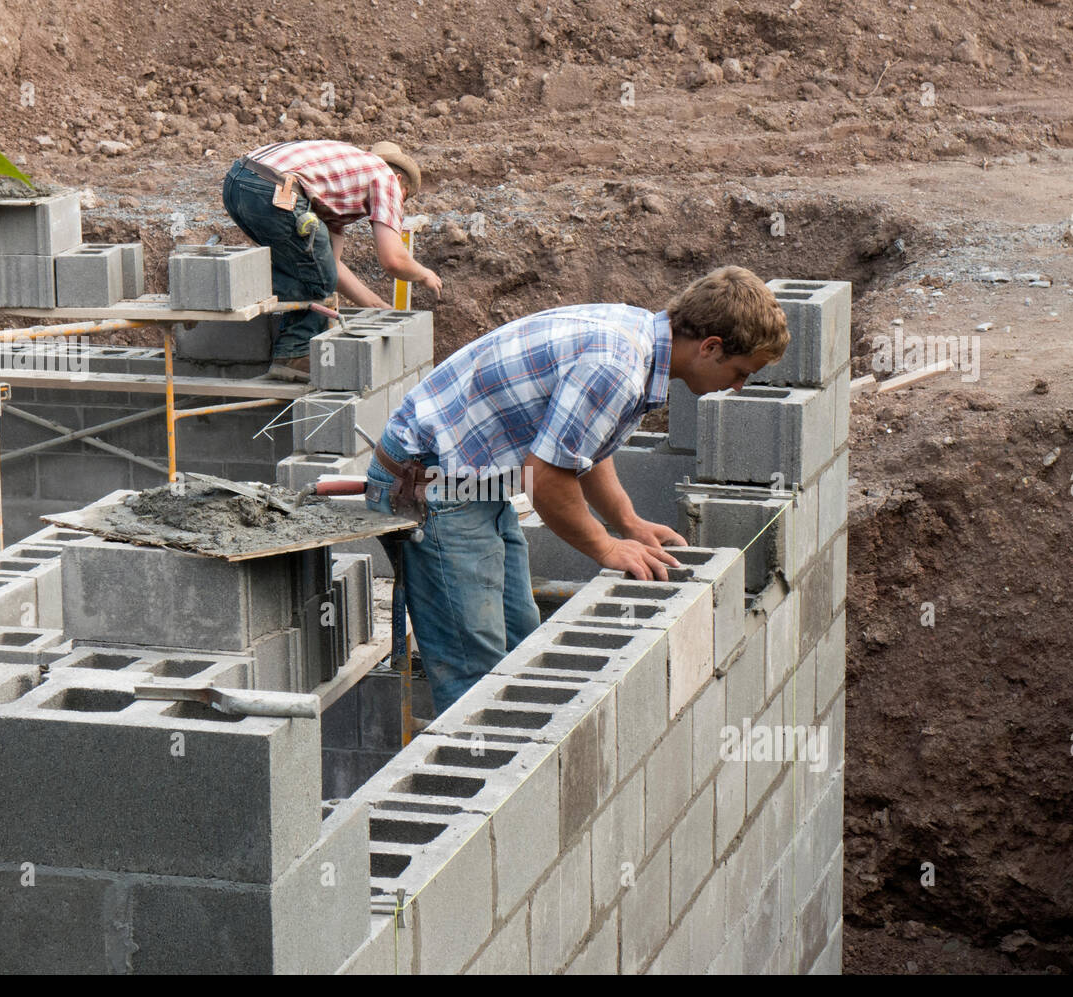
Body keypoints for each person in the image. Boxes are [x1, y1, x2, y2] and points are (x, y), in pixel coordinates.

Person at [364, 265, 790, 711]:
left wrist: (627, 522)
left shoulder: (639, 342)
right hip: (429, 486)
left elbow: (580, 448)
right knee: (478, 676)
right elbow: (546, 479)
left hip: (473, 481)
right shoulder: (617, 366)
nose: (739, 386)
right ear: (711, 347)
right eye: (742, 371)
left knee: (520, 642)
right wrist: (605, 547)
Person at [221, 139, 443, 364]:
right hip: (273, 188)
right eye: (404, 197)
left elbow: (331, 267)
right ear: (399, 181)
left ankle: (216, 296)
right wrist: (424, 274)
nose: (398, 204)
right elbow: (392, 259)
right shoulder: (386, 177)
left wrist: (381, 310)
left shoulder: (338, 184)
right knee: (315, 279)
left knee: (305, 270)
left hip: (238, 182)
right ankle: (295, 356)